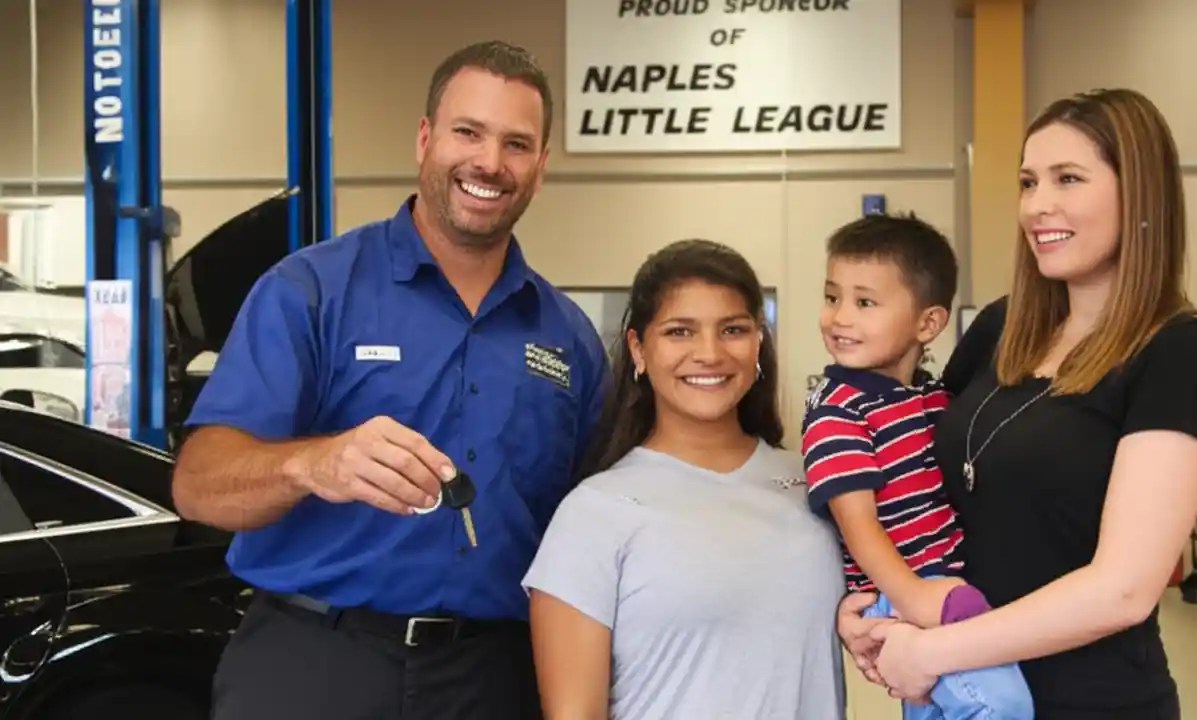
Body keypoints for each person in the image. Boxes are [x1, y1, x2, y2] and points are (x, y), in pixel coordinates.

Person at [170, 41, 609, 720]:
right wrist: (314, 464)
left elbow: (600, 526)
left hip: (495, 678)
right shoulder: (310, 292)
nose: (490, 163)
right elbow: (198, 484)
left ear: (542, 167)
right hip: (313, 664)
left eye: (516, 144)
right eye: (468, 132)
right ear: (426, 138)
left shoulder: (569, 339)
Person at [841, 88, 1197, 720]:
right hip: (957, 695)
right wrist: (875, 597)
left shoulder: (1183, 354)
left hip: (1089, 701)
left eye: (1068, 179)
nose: (1037, 206)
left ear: (1140, 197)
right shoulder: (1000, 328)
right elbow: (910, 478)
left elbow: (1124, 590)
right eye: (1028, 182)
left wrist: (936, 650)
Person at [521, 240, 847, 719]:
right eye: (680, 332)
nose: (709, 353)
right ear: (639, 349)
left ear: (759, 340)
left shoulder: (818, 484)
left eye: (733, 329)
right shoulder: (593, 512)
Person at [802, 213, 1033, 719]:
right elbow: (856, 524)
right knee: (1001, 705)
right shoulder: (838, 410)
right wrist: (913, 597)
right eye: (831, 296)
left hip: (938, 586)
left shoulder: (931, 398)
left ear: (928, 323)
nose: (839, 317)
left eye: (864, 302)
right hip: (905, 591)